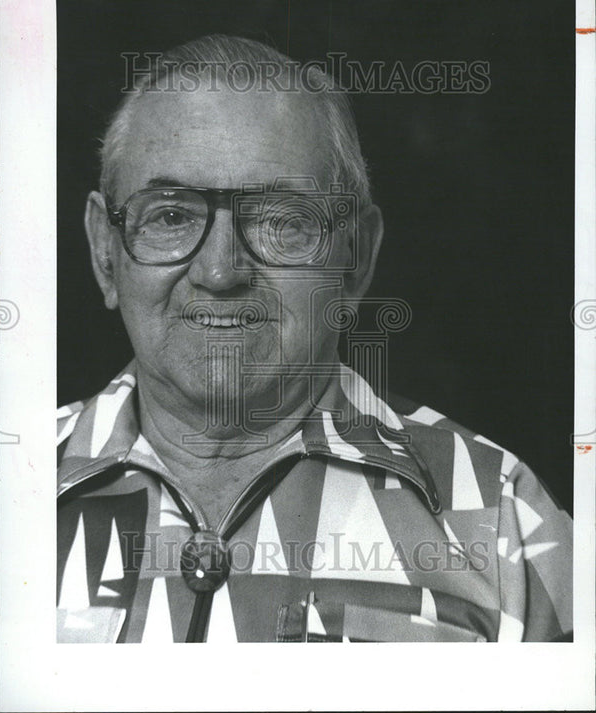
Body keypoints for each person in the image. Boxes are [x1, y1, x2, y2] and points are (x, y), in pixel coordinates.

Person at [57, 34, 572, 643]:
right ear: (104, 252)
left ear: (353, 258)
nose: (220, 272)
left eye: (281, 222)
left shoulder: (504, 518)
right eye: (171, 215)